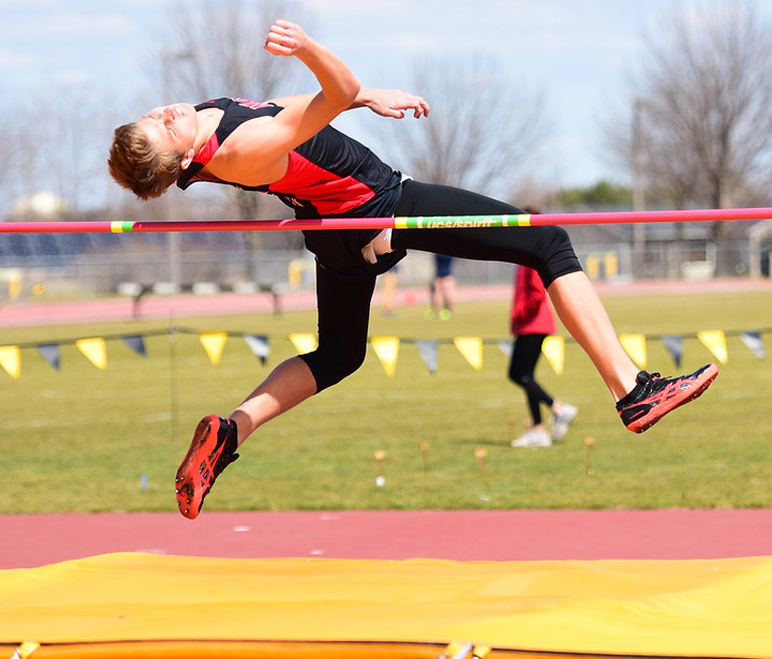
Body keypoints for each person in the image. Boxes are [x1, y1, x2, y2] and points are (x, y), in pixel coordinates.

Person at [108, 20, 718, 519]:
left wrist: (368, 96)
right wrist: (316, 54)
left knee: (341, 354)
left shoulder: (209, 124)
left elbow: (284, 107)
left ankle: (229, 434)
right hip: (381, 208)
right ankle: (633, 391)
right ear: (185, 160)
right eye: (165, 129)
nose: (166, 112)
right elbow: (329, 95)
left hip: (340, 229)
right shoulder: (241, 153)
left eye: (155, 116)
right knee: (548, 242)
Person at [508, 262, 578, 447]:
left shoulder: (529, 256)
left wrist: (520, 314)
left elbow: (537, 293)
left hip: (534, 324)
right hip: (529, 325)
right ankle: (538, 430)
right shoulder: (520, 257)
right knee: (526, 377)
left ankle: (558, 408)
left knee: (518, 374)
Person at [427, 253, 455, 320]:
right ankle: (450, 309)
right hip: (447, 273)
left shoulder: (437, 254)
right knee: (448, 293)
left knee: (438, 293)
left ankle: (438, 310)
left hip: (438, 274)